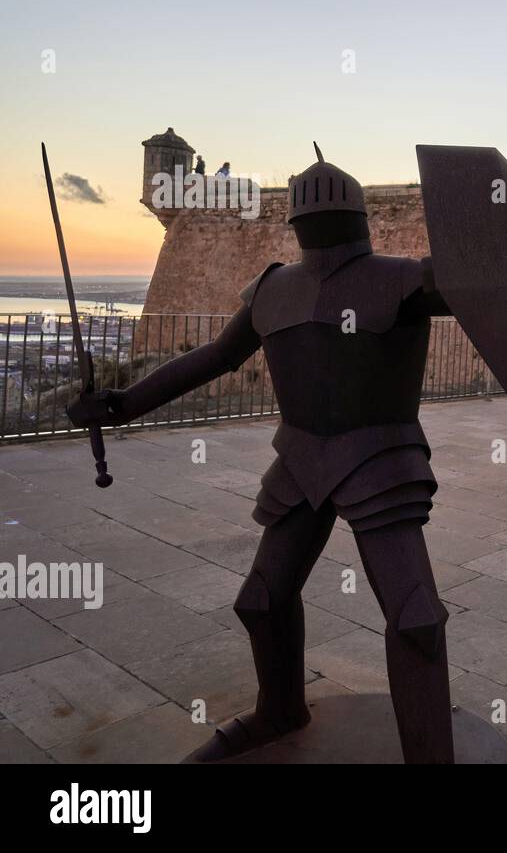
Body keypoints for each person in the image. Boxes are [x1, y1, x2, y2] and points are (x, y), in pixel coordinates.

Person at [69, 149, 458, 763]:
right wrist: (124, 403)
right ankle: (280, 709)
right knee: (263, 600)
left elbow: (484, 285)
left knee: (415, 620)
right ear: (361, 216)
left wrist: (125, 403)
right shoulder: (277, 288)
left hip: (380, 460)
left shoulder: (405, 280)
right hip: (302, 460)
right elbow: (215, 359)